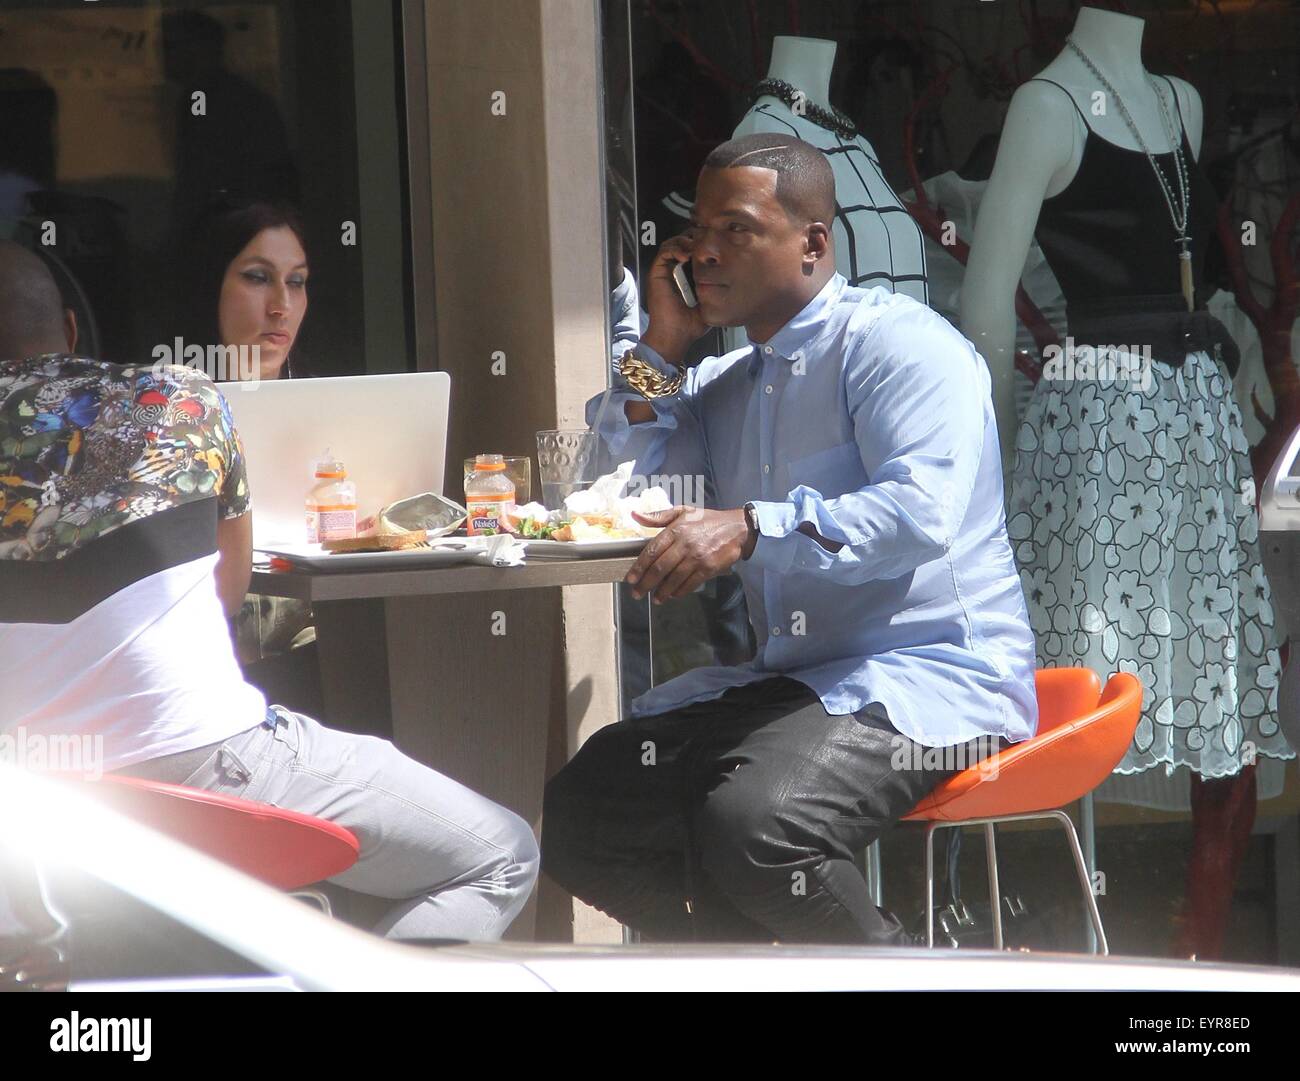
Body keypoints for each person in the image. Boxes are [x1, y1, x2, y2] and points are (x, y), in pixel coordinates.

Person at [541, 134, 1039, 945]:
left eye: (735, 228)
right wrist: (660, 349)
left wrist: (750, 527)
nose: (705, 252)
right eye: (697, 231)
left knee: (755, 826)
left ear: (813, 242)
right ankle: (742, 965)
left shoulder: (901, 348)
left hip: (937, 681)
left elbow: (923, 514)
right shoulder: (722, 384)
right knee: (585, 810)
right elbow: (620, 493)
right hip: (798, 690)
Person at [0, 240, 538, 941]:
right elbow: (229, 591)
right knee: (500, 854)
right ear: (72, 329)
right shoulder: (180, 397)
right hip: (202, 764)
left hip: (27, 787)